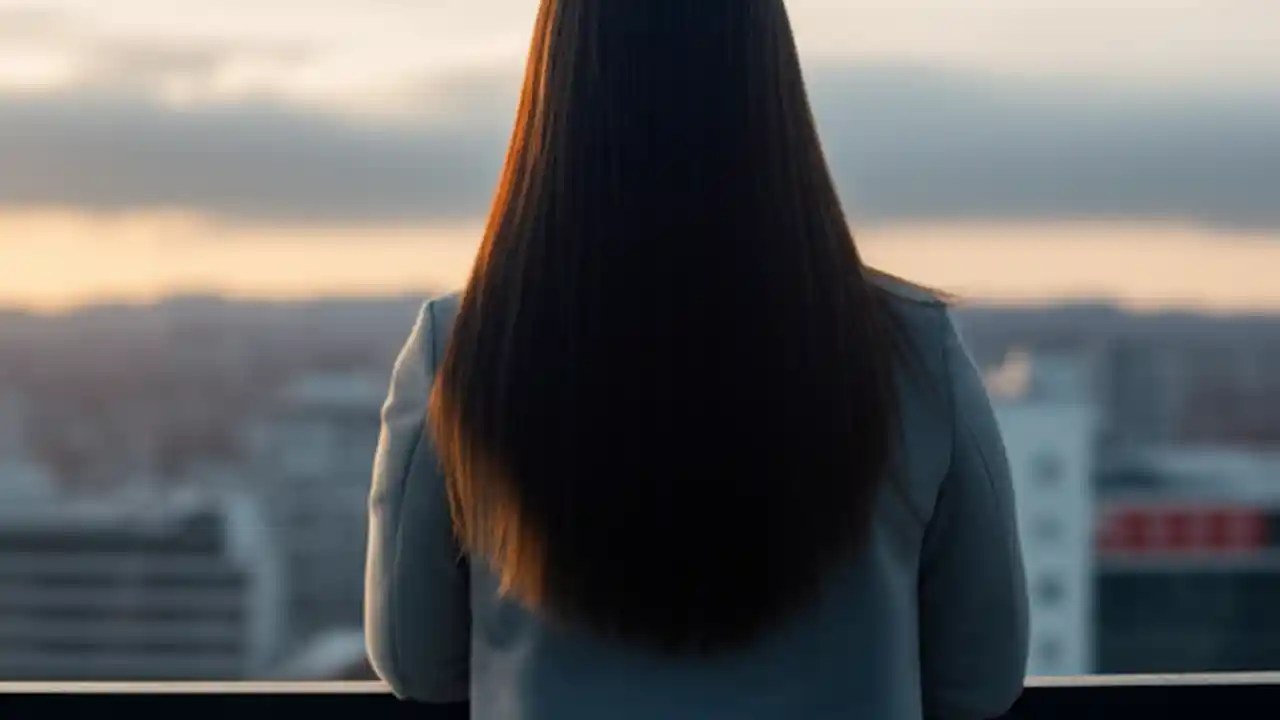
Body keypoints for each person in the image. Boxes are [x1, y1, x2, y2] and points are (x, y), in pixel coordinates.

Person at [365, 1, 1028, 718]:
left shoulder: (463, 345)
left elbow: (418, 664)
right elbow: (980, 679)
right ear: (770, 84)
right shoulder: (913, 349)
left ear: (557, 86)